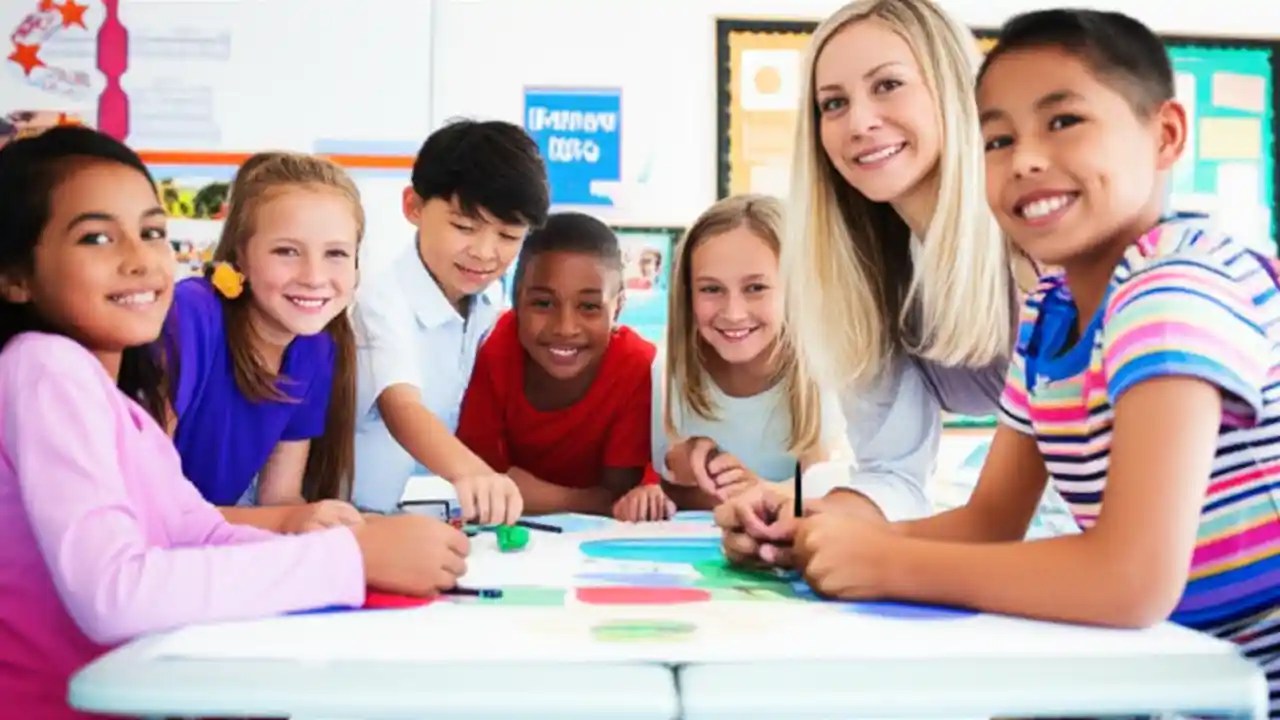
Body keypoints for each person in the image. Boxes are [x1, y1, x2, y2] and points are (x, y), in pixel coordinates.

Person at [786, 9, 1280, 712]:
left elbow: (1131, 579)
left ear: (1163, 135)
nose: (1025, 160)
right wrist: (815, 542)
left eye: (1064, 123)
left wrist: (886, 561)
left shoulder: (1178, 284)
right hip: (1181, 676)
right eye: (998, 139)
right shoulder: (1051, 311)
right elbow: (989, 521)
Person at [0, 126, 468, 720]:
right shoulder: (46, 365)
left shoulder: (116, 405)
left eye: (151, 232)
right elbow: (114, 594)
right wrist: (350, 558)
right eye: (96, 237)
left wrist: (365, 554)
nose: (139, 258)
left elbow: (204, 534)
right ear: (14, 275)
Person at [712, 0, 1024, 563]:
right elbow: (892, 474)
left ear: (951, 89)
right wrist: (804, 522)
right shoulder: (862, 269)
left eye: (888, 85)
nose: (859, 123)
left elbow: (1009, 514)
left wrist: (863, 547)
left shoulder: (1034, 235)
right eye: (833, 104)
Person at [352, 119, 549, 522]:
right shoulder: (379, 296)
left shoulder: (488, 303)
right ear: (414, 207)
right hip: (355, 519)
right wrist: (475, 475)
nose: (484, 252)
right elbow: (401, 406)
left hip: (423, 519)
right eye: (464, 227)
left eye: (509, 236)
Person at [163, 151, 364, 533]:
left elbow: (280, 496)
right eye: (287, 251)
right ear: (240, 255)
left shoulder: (316, 346)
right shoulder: (189, 316)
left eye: (336, 253)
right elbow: (151, 508)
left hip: (202, 554)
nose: (314, 276)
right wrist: (288, 520)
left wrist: (330, 525)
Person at [456, 213, 663, 520]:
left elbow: (620, 495)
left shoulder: (638, 365)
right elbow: (479, 479)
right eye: (543, 303)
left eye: (590, 307)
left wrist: (538, 494)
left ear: (617, 308)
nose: (565, 328)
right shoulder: (495, 348)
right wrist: (588, 501)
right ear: (515, 304)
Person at [652, 194, 852, 510]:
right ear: (687, 295)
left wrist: (761, 491)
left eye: (756, 288)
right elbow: (663, 492)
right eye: (711, 289)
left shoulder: (828, 370)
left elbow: (833, 490)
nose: (733, 313)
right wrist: (687, 464)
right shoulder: (666, 372)